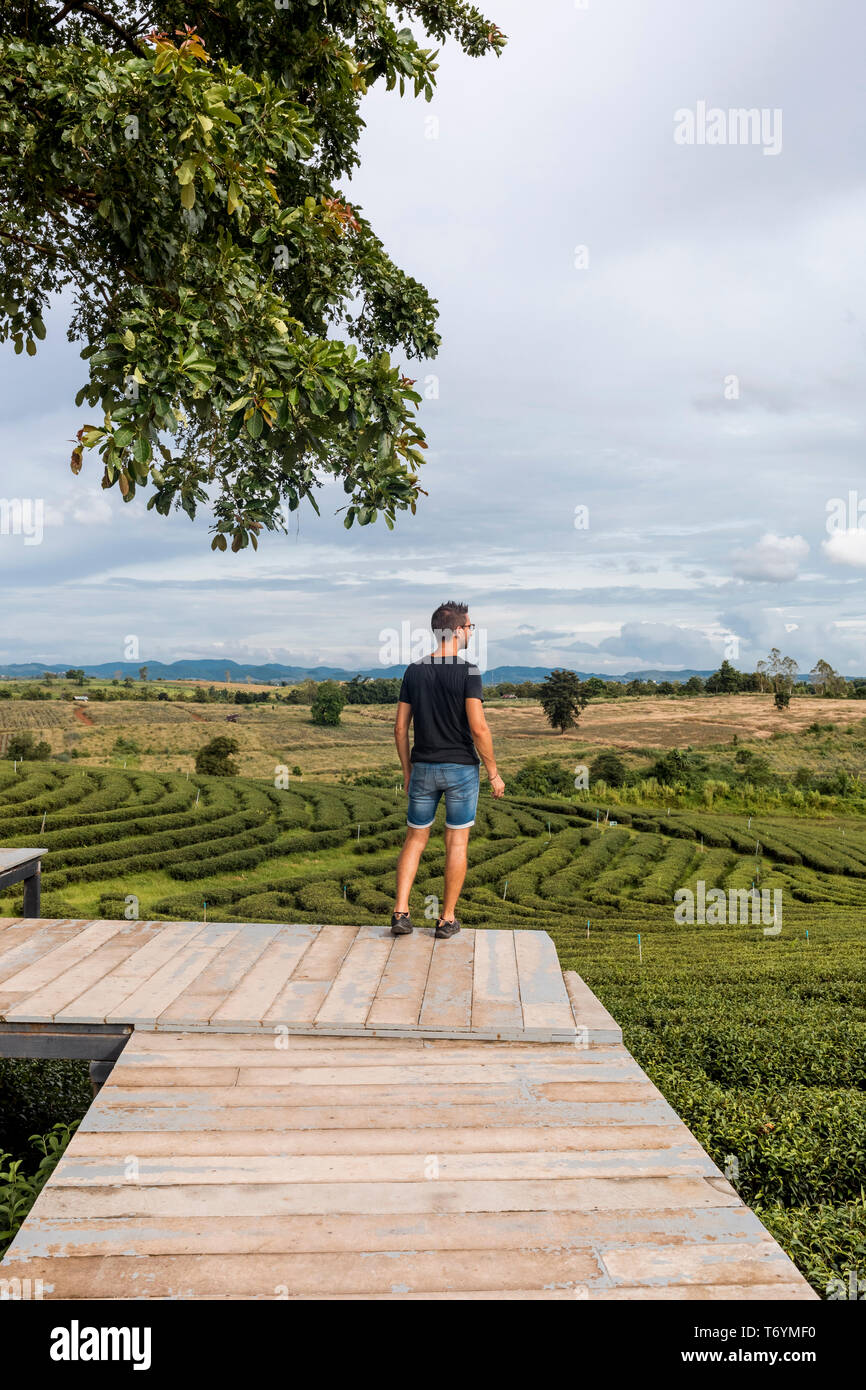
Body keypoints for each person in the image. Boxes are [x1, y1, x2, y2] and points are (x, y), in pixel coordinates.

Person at [391, 601, 505, 938]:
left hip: (423, 767)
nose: (471, 632)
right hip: (461, 770)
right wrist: (494, 773)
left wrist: (408, 771)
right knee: (456, 843)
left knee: (414, 840)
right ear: (457, 630)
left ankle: (401, 913)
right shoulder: (468, 672)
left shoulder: (414, 671)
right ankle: (446, 919)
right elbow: (479, 728)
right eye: (470, 627)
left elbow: (400, 729)